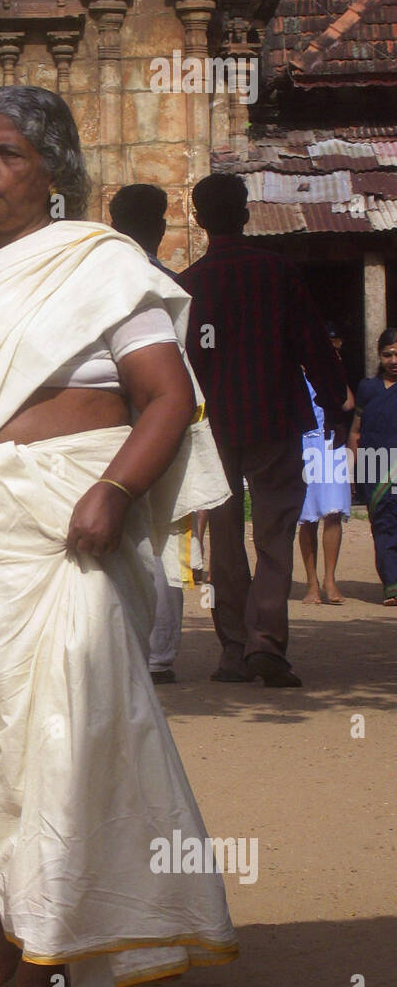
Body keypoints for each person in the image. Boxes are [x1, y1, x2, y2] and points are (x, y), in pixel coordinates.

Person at [0, 87, 238, 987]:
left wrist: (113, 491)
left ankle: (49, 954)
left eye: (7, 153)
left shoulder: (99, 267)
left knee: (58, 742)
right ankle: (22, 915)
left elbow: (164, 397)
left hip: (61, 528)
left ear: (53, 169)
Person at [178, 174, 347, 687]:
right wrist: (335, 401)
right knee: (274, 534)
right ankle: (266, 645)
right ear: (246, 213)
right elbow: (311, 343)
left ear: (200, 219)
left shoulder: (187, 285)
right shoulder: (277, 272)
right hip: (274, 417)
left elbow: (178, 363)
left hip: (214, 426)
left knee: (225, 538)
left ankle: (233, 651)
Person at [110, 183, 184, 682]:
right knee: (168, 540)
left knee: (120, 537)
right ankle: (158, 655)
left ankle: (129, 649)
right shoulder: (173, 283)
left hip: (115, 432)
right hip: (169, 429)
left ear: (112, 223)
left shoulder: (102, 280)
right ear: (160, 227)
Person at [351, 328, 397, 605]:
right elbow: (356, 431)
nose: (393, 360)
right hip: (374, 470)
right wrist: (354, 469)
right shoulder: (367, 389)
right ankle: (392, 586)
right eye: (387, 354)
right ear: (379, 356)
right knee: (383, 527)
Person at [298, 374, 351, 605]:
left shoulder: (327, 370)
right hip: (302, 442)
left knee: (334, 511)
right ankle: (312, 583)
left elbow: (348, 403)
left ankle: (330, 579)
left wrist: (334, 371)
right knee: (308, 516)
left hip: (332, 442)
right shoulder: (290, 371)